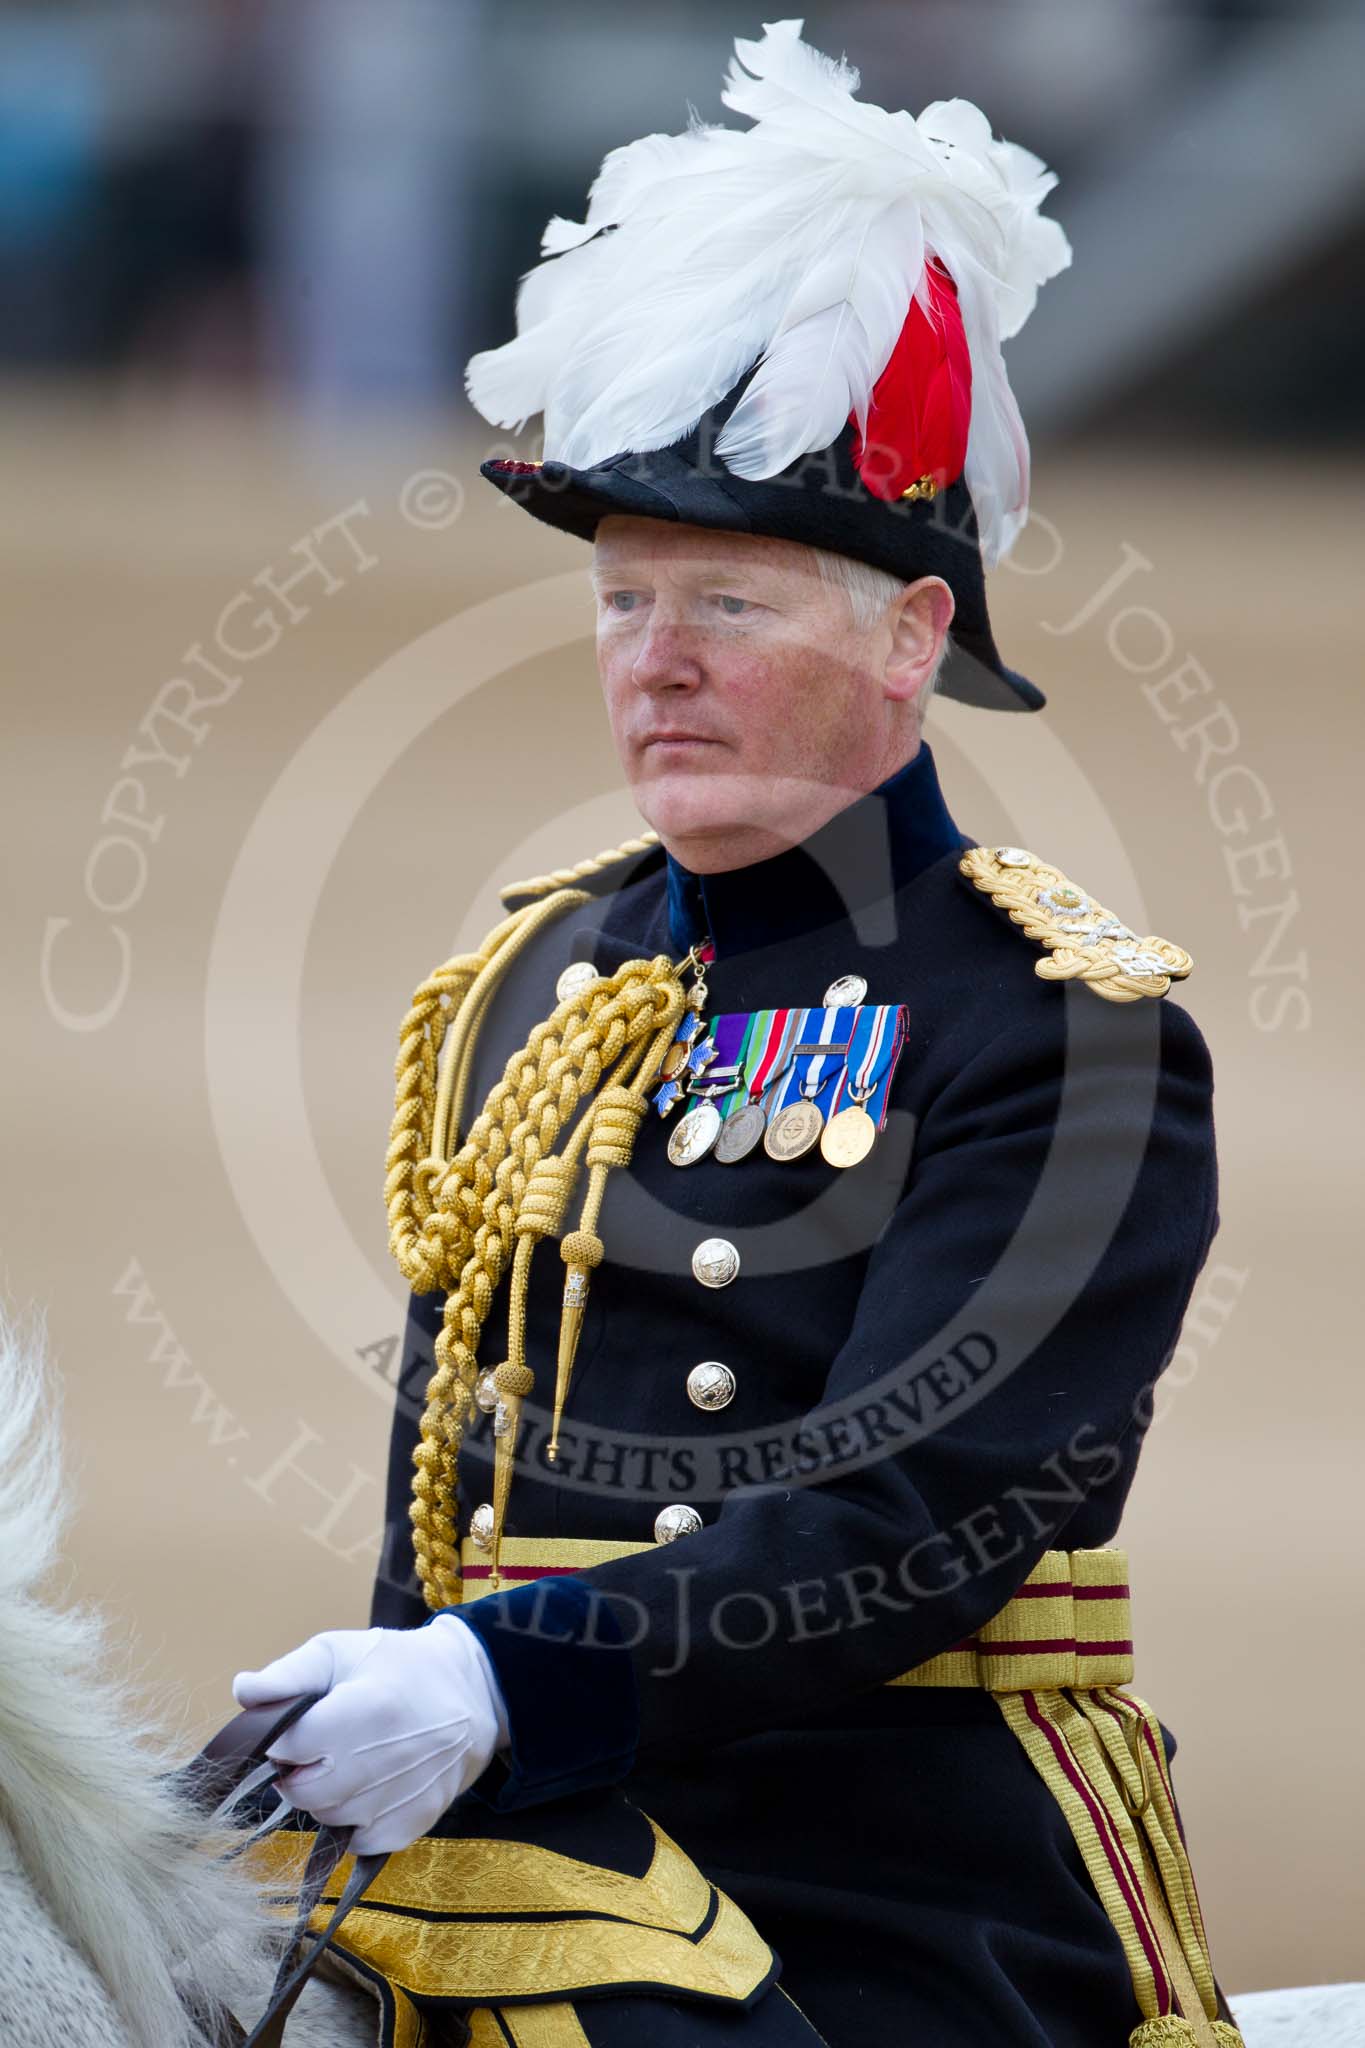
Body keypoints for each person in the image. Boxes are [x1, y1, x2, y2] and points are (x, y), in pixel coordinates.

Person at [234, 23, 1246, 2047]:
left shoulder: (1054, 1027)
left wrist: (509, 1681)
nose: (657, 662)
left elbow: (917, 1518)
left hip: (890, 1866)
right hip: (528, 1813)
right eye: (625, 603)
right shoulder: (537, 977)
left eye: (730, 603)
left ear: (907, 639)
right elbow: (444, 1494)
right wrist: (402, 1697)